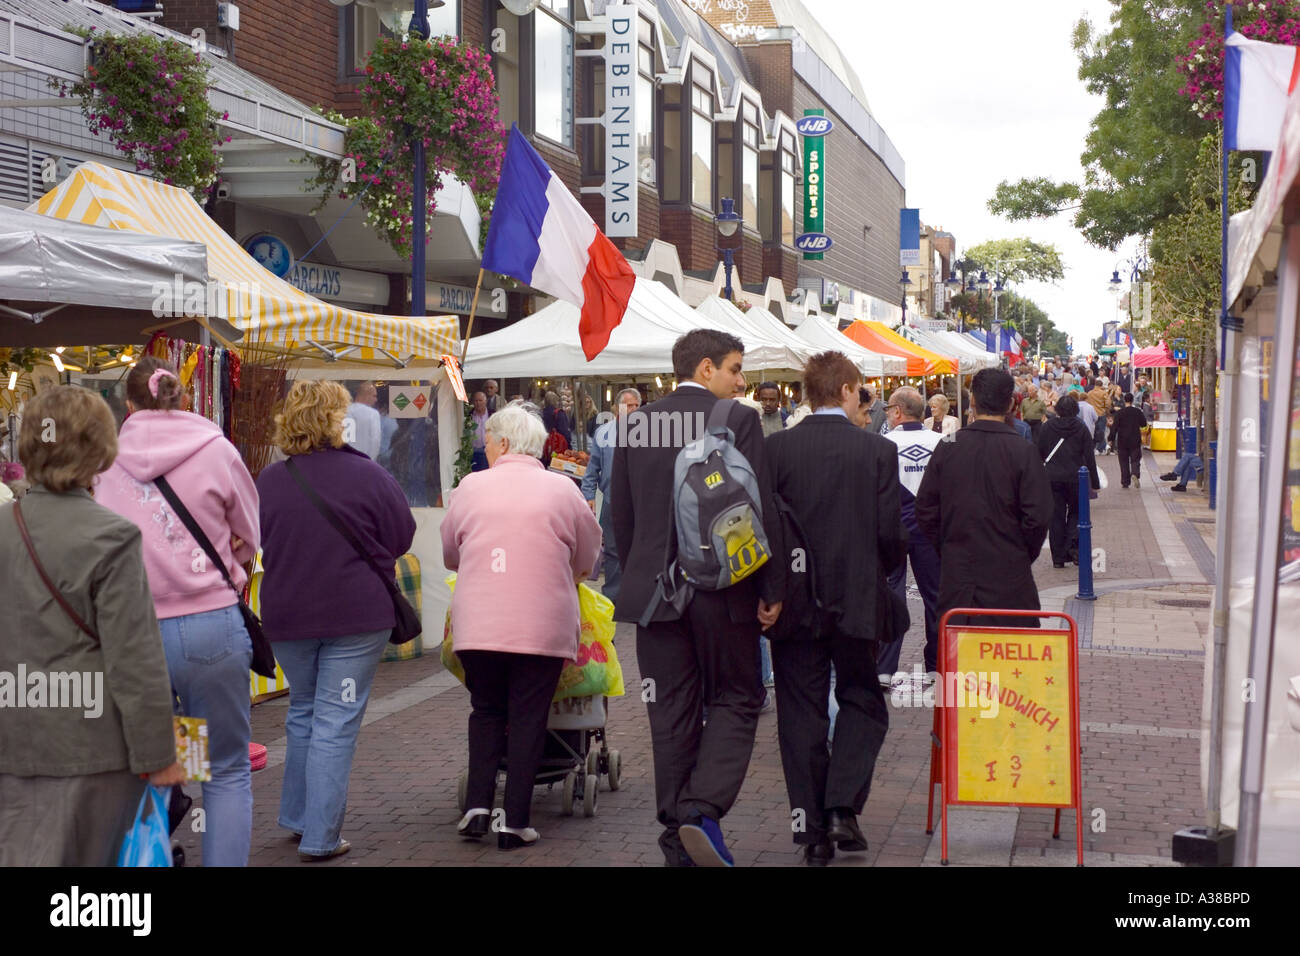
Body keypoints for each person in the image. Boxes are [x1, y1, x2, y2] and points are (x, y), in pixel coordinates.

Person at [611, 328, 781, 867]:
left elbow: (622, 515)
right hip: (722, 592)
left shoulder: (636, 422)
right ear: (705, 368)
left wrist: (637, 576)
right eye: (734, 368)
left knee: (670, 714)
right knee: (738, 696)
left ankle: (675, 837)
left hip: (654, 595)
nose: (741, 380)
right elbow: (760, 510)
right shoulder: (737, 420)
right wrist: (771, 589)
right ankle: (699, 812)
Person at [0, 386, 184, 865]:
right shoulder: (112, 537)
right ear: (99, 450)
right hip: (91, 748)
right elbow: (136, 659)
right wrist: (159, 755)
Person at [96, 358, 261, 866]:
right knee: (227, 769)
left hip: (134, 633)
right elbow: (251, 533)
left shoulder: (103, 461)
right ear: (182, 396)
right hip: (211, 628)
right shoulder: (217, 450)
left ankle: (154, 860)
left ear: (128, 405)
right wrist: (230, 549)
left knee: (158, 766)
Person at [256, 380, 416, 861]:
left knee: (304, 712)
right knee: (335, 721)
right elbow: (402, 535)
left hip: (288, 615)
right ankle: (321, 837)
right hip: (354, 615)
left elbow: (254, 540)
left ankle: (299, 817)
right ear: (335, 420)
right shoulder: (368, 475)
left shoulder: (268, 480)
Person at [762, 351, 904, 865]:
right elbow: (891, 532)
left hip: (792, 602)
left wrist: (771, 588)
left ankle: (811, 829)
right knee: (862, 699)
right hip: (856, 597)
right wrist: (880, 568)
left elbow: (765, 529)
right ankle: (842, 806)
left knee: (799, 713)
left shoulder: (776, 449)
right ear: (845, 390)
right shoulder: (876, 451)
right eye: (860, 390)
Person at [442, 404, 602, 849]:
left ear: (505, 443)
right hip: (541, 625)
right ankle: (514, 820)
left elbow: (450, 553)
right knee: (529, 715)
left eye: (489, 440)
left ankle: (477, 805)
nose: (485, 447)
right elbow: (589, 555)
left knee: (487, 709)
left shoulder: (470, 486)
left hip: (479, 623)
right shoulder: (562, 489)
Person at [915, 369, 1054, 629]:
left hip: (959, 578)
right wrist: (1019, 553)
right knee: (1010, 661)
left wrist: (948, 547)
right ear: (1011, 404)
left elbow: (925, 509)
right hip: (1010, 582)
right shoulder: (1023, 450)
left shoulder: (949, 445)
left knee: (961, 661)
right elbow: (1038, 516)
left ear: (973, 403)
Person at [879, 386, 943, 692]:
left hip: (893, 528)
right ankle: (937, 667)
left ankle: (884, 670)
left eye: (889, 409)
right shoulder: (941, 442)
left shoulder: (883, 443)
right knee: (935, 598)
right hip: (930, 529)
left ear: (898, 411)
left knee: (892, 595)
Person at [581, 387, 641, 603]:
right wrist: (587, 496)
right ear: (617, 408)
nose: (633, 410)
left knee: (640, 550)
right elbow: (593, 468)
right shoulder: (604, 433)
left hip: (641, 502)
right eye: (628, 405)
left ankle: (637, 597)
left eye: (636, 405)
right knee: (614, 551)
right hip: (612, 502)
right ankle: (614, 599)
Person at [1036, 395, 1100, 568]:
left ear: (1057, 410)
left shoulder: (1047, 427)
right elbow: (1089, 457)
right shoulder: (1081, 428)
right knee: (1077, 513)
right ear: (1075, 410)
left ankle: (1058, 558)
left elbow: (1039, 452)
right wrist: (1095, 482)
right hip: (1075, 477)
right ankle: (1073, 548)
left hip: (1052, 478)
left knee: (1055, 517)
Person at [1113, 392, 1148, 489]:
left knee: (1123, 461)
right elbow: (1144, 424)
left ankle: (1125, 482)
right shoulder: (1137, 412)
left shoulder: (1120, 413)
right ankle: (1135, 473)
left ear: (1125, 400)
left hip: (1122, 440)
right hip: (1135, 439)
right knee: (1135, 458)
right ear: (1132, 401)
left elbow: (1114, 427)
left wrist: (1110, 438)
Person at [346, 382, 382, 460]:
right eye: (374, 396)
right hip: (364, 461)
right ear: (366, 395)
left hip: (345, 459)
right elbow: (375, 441)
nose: (376, 400)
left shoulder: (344, 411)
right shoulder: (373, 414)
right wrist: (371, 462)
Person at [1085, 378, 1111, 454]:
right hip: (1101, 414)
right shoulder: (1103, 393)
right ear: (1101, 385)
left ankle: (1094, 447)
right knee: (1101, 431)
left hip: (1092, 415)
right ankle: (1102, 447)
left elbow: (1087, 402)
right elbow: (1108, 403)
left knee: (1093, 432)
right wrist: (1104, 408)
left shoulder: (1089, 393)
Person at [470, 391, 490, 473]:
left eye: (480, 400)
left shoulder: (493, 414)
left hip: (488, 451)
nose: (478, 403)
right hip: (474, 452)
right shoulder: (468, 415)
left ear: (485, 401)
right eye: (476, 401)